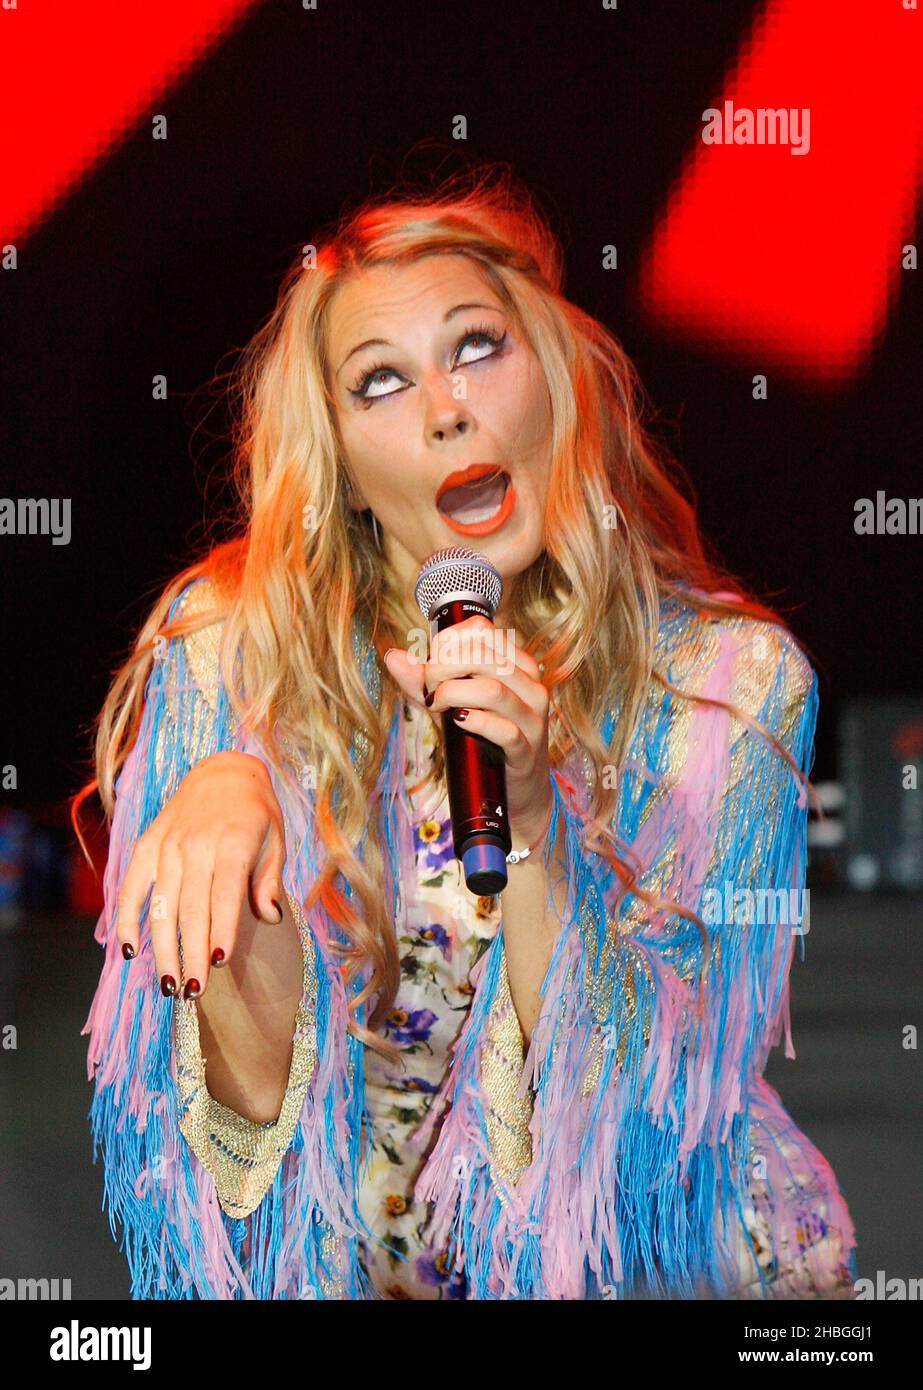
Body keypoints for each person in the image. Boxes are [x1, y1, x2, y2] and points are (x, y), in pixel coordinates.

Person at [73, 164, 857, 1301]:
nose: (444, 408)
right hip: (373, 1263)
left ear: (557, 379)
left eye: (477, 347)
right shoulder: (230, 650)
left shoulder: (726, 686)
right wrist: (227, 791)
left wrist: (534, 822)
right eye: (380, 381)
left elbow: (633, 1138)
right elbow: (240, 1148)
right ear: (343, 469)